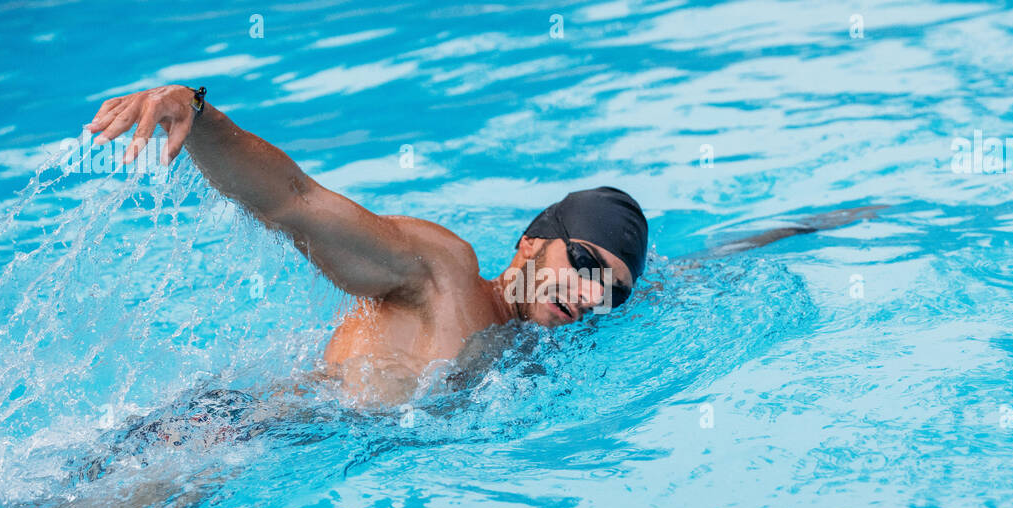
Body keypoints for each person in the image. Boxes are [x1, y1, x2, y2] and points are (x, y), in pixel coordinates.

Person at [88, 84, 647, 404]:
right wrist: (199, 112)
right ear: (531, 243)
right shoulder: (442, 271)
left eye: (611, 292)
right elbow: (295, 202)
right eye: (582, 261)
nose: (589, 292)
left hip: (298, 455)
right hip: (237, 434)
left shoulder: (522, 342)